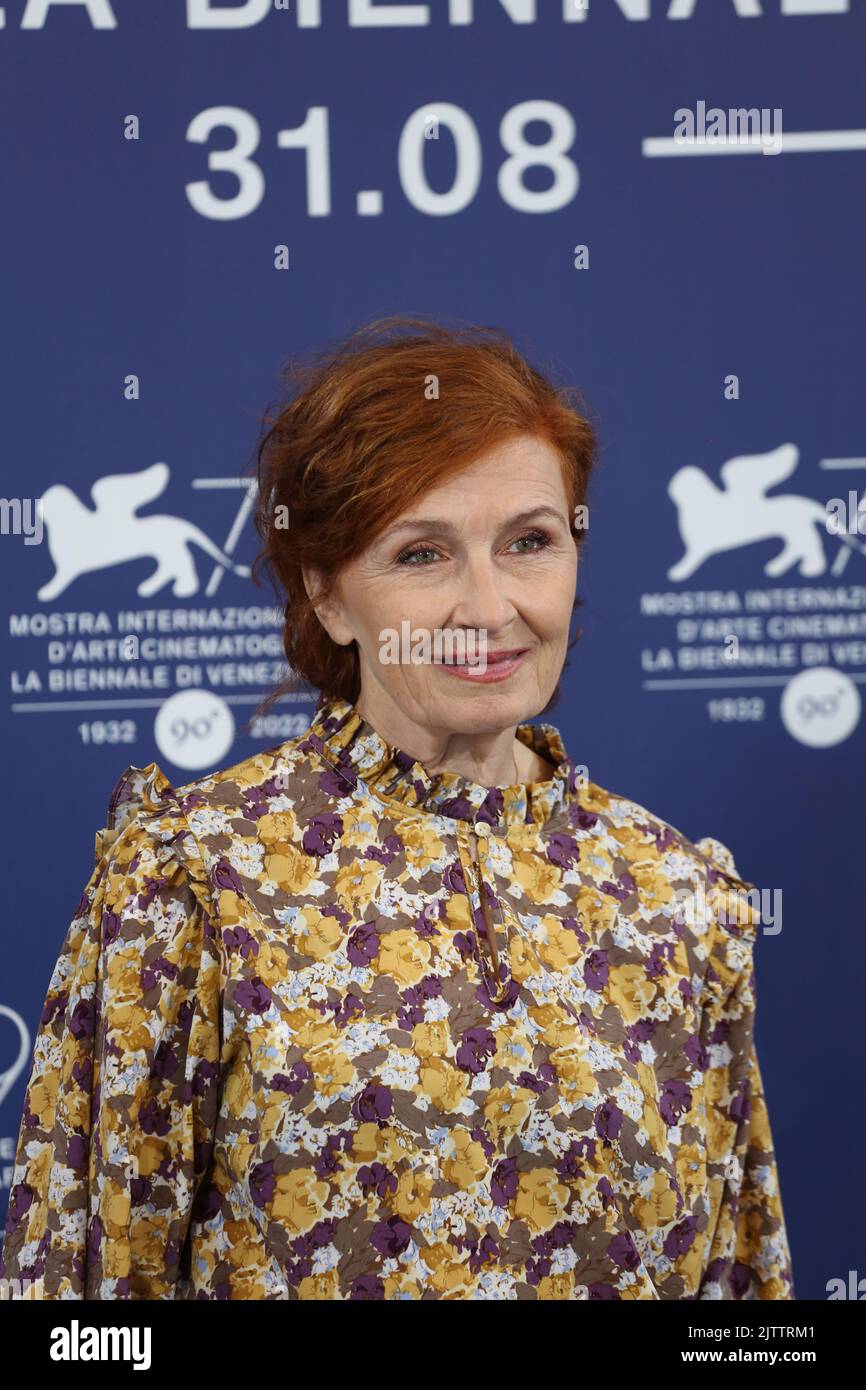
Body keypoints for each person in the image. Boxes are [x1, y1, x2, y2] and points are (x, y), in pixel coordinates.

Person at [0, 316, 795, 1300]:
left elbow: (737, 1297)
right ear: (327, 594)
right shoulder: (195, 870)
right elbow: (83, 1299)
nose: (487, 604)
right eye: (421, 554)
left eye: (529, 542)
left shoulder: (674, 890)